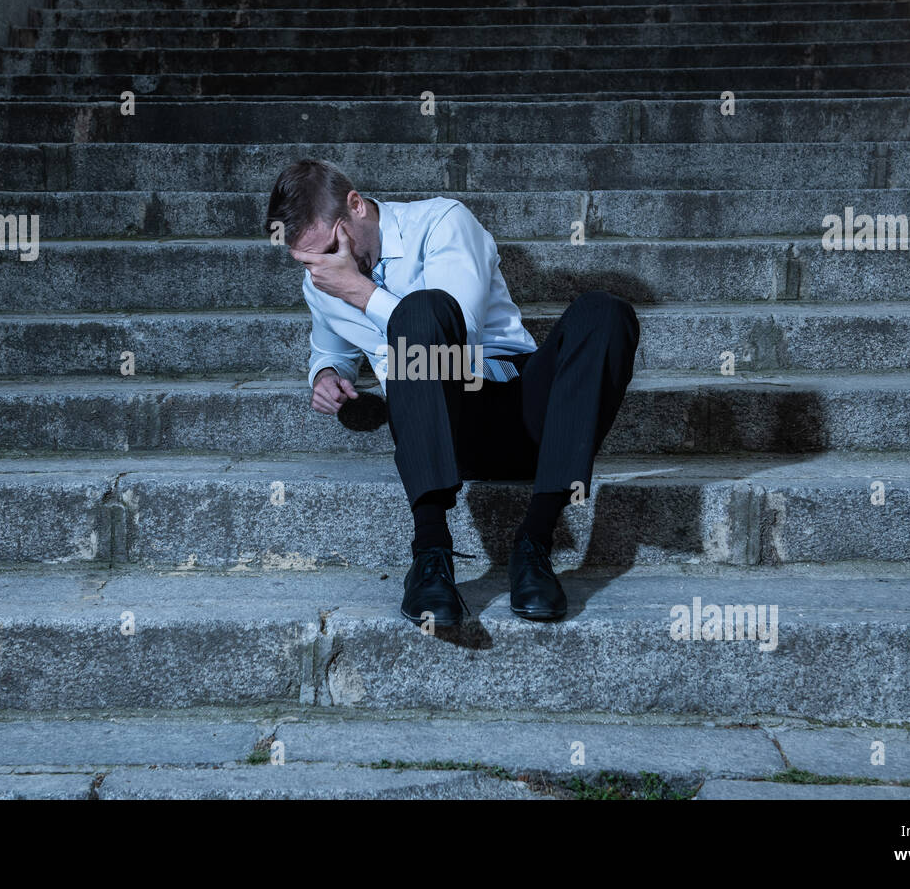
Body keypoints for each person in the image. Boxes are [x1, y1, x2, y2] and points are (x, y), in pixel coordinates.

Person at [266, 158, 640, 627]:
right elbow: (331, 348)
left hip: (525, 407)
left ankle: (533, 545)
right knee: (416, 317)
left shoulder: (441, 222)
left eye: (329, 248)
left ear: (356, 206)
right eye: (308, 261)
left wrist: (360, 292)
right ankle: (430, 556)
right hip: (447, 429)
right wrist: (324, 375)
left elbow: (457, 328)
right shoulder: (322, 278)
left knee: (603, 312)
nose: (323, 266)